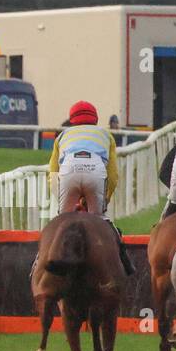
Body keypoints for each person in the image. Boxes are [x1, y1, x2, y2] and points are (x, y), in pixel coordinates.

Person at [48, 100, 134, 275]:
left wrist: (62, 201)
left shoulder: (63, 136)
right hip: (95, 170)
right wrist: (104, 199)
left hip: (68, 170)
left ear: (71, 120)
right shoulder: (105, 135)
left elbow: (53, 174)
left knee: (62, 222)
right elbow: (113, 175)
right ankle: (123, 261)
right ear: (95, 119)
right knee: (100, 221)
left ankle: (40, 262)